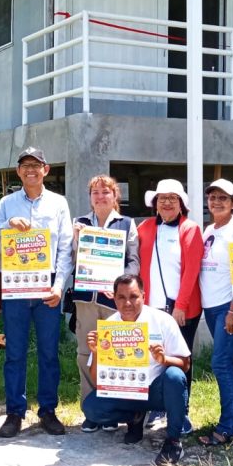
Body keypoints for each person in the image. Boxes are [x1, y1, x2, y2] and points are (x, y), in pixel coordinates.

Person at [0, 147, 73, 438]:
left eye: (36, 165)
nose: (30, 170)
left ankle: (48, 410)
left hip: (47, 285)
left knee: (49, 352)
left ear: (45, 170)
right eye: (25, 165)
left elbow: (64, 248)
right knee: (14, 352)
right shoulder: (6, 203)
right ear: (19, 172)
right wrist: (6, 226)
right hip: (15, 286)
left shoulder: (59, 203)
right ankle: (14, 412)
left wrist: (59, 285)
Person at [81, 274, 190, 466]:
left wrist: (164, 359)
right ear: (114, 299)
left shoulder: (162, 320)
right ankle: (135, 417)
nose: (127, 303)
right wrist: (96, 353)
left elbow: (186, 364)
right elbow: (98, 381)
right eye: (121, 298)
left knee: (175, 376)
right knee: (91, 408)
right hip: (126, 392)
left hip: (156, 390)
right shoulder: (109, 327)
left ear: (143, 296)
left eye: (133, 296)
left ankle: (173, 441)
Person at [70, 174, 140, 431]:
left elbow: (133, 260)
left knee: (116, 354)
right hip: (86, 299)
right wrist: (77, 239)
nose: (100, 197)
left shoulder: (127, 224)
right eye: (95, 193)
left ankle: (113, 412)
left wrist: (123, 288)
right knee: (86, 354)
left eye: (105, 192)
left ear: (115, 196)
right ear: (90, 197)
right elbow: (71, 260)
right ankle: (92, 411)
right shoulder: (79, 223)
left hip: (115, 302)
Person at [137, 178, 203, 434]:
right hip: (151, 307)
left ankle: (181, 412)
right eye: (162, 198)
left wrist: (181, 305)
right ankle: (157, 406)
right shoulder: (144, 227)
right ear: (155, 203)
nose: (166, 202)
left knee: (180, 359)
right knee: (153, 356)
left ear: (181, 204)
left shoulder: (190, 229)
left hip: (181, 308)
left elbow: (191, 270)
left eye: (172, 198)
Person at [196, 179, 233, 447]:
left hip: (228, 307)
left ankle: (227, 426)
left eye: (223, 198)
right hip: (212, 305)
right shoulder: (211, 229)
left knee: (220, 362)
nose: (216, 202)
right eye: (212, 197)